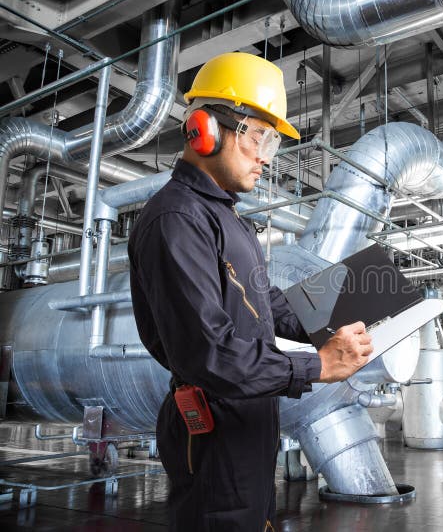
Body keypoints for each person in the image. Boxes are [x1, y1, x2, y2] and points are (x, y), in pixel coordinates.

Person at [128, 52, 373, 532]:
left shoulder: (226, 218)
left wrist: (355, 299)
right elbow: (208, 353)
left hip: (249, 419)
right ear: (205, 129)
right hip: (215, 425)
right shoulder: (177, 218)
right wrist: (318, 365)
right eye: (258, 136)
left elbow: (265, 306)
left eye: (273, 144)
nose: (266, 157)